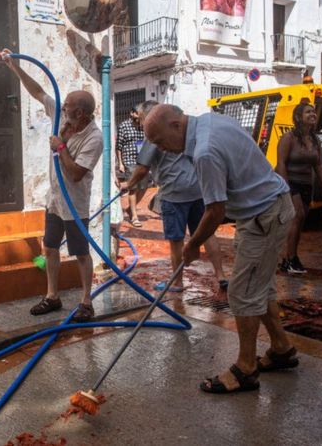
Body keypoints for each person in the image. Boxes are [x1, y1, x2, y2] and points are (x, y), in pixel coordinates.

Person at [144, 104, 297, 394]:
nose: (162, 149)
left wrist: (192, 245)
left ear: (176, 125)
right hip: (266, 209)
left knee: (242, 293)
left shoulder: (204, 152)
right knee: (259, 287)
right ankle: (281, 348)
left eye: (160, 141)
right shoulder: (210, 121)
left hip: (264, 215)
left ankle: (246, 369)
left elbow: (215, 210)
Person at [2, 49, 103, 322]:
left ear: (79, 113)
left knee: (81, 253)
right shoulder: (62, 115)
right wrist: (14, 66)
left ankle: (86, 302)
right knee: (50, 247)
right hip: (55, 200)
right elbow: (38, 92)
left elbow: (77, 173)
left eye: (67, 105)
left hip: (75, 203)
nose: (62, 107)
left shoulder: (94, 138)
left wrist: (60, 147)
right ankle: (52, 296)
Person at [123, 100, 228, 293]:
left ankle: (178, 283)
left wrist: (128, 185)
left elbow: (142, 169)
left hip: (173, 193)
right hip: (197, 188)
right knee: (207, 233)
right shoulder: (183, 131)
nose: (141, 124)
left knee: (176, 241)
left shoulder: (153, 135)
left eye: (142, 119)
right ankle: (221, 275)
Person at [276, 102, 322, 274]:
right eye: (308, 112)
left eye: (313, 112)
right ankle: (290, 258)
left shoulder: (315, 140)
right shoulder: (288, 138)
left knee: (300, 221)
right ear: (298, 117)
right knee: (297, 216)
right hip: (290, 183)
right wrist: (286, 188)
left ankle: (289, 258)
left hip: (307, 184)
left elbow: (319, 164)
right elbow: (281, 163)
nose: (313, 114)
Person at [115, 104, 147, 227]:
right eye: (138, 113)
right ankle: (134, 216)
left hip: (142, 160)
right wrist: (120, 163)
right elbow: (119, 146)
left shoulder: (142, 126)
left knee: (143, 187)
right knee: (133, 188)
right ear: (132, 113)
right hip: (129, 160)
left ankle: (129, 209)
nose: (139, 116)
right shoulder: (123, 126)